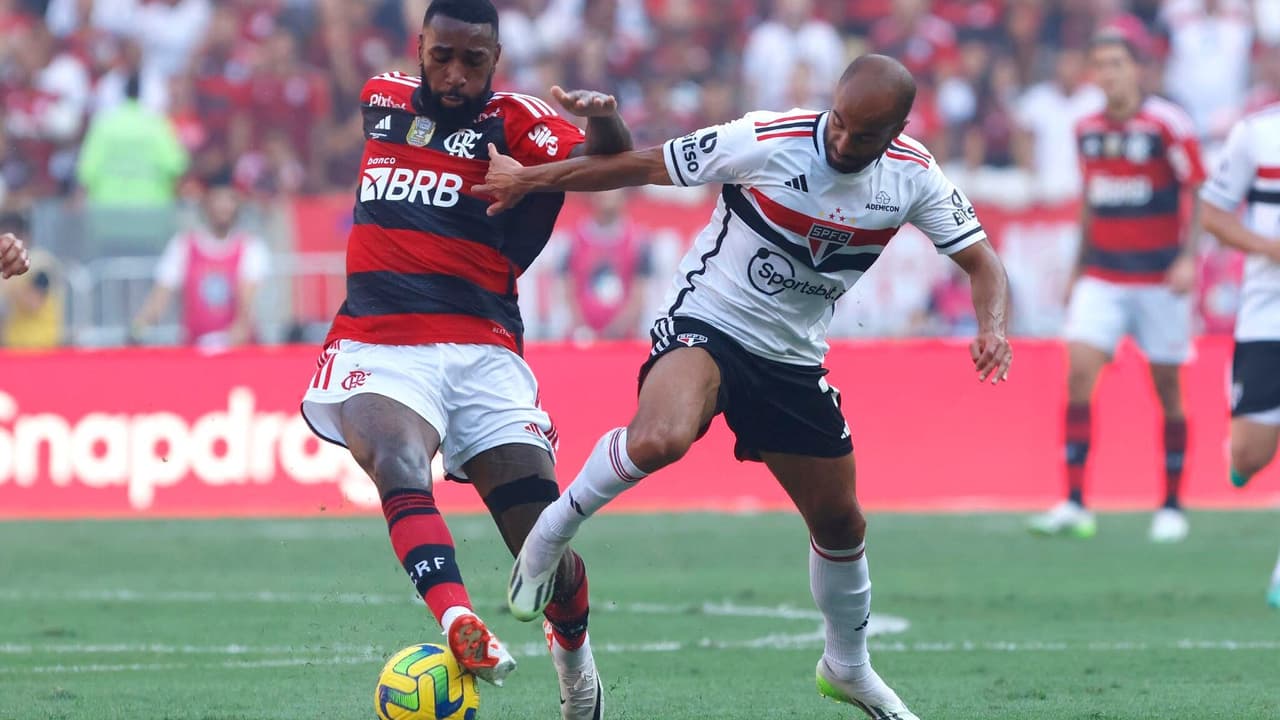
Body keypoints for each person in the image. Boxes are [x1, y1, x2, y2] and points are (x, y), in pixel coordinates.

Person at [479, 54, 1012, 719]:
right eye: (839, 123)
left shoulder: (914, 178)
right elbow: (642, 165)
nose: (843, 141)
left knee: (841, 522)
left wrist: (992, 327)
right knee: (661, 439)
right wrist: (531, 179)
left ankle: (847, 667)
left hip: (791, 359)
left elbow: (983, 263)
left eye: (863, 136)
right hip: (709, 320)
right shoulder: (769, 138)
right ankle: (550, 534)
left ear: (899, 130)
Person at [298, 2, 632, 717]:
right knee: (393, 458)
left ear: (496, 58)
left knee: (540, 545)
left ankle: (576, 666)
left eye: (472, 62)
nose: (454, 75)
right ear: (420, 46)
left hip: (483, 348)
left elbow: (609, 161)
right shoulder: (380, 99)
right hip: (378, 340)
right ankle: (457, 621)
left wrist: (589, 129)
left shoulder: (518, 122)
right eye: (441, 56)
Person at [1029, 30, 1206, 543]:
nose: (1108, 74)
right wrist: (1077, 269)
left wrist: (1190, 258)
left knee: (1168, 389)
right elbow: (1092, 198)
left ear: (1138, 70)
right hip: (1103, 275)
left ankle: (1172, 504)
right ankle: (1075, 502)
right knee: (1079, 373)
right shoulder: (1086, 129)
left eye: (1116, 64)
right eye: (1100, 65)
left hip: (1159, 278)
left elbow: (1196, 188)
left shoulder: (1168, 126)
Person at [1199, 102, 1280, 608]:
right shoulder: (1257, 134)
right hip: (1266, 309)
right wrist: (1270, 248)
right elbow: (1212, 214)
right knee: (1251, 454)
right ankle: (1243, 450)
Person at [131, 176, 269, 349]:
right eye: (218, 199)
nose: (223, 207)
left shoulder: (250, 248)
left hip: (238, 351)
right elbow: (160, 297)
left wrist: (225, 342)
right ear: (206, 203)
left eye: (230, 200)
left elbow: (246, 307)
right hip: (194, 349)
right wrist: (139, 328)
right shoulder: (183, 246)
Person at [560, 189, 652, 341]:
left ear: (624, 198)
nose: (607, 197)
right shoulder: (573, 239)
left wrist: (616, 330)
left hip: (623, 340)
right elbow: (567, 290)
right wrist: (582, 328)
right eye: (603, 192)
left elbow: (639, 294)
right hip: (582, 339)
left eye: (614, 191)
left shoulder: (638, 241)